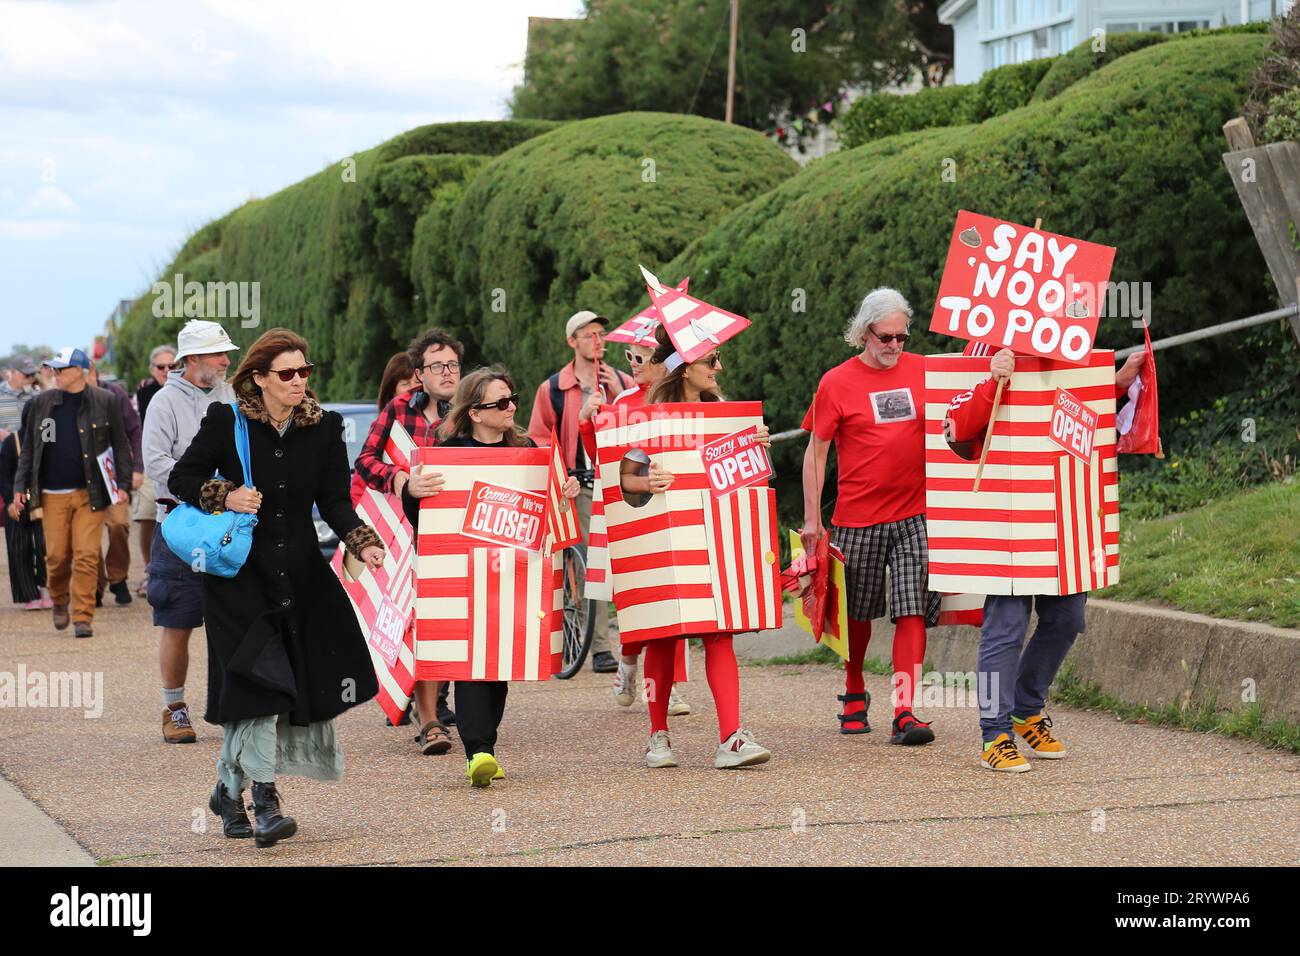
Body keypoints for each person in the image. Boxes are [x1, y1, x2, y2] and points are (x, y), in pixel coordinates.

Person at [169, 328, 385, 846]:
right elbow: (180, 479)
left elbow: (334, 499)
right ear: (259, 379)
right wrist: (225, 495)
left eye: (304, 371)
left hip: (300, 578)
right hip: (239, 580)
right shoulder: (228, 420)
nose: (297, 381)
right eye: (285, 373)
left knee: (277, 687)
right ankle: (265, 803)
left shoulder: (325, 427)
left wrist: (362, 541)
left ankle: (227, 790)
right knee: (259, 688)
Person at [944, 346, 1143, 773]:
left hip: (1061, 513)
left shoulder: (1065, 345)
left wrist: (1119, 381)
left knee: (1068, 617)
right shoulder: (982, 345)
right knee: (1007, 626)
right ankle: (995, 734)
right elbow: (955, 429)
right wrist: (991, 380)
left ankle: (1026, 708)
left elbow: (1079, 408)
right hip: (1007, 518)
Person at [402, 366, 579, 786]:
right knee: (471, 663)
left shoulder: (528, 451)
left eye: (512, 399)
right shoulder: (447, 454)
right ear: (475, 412)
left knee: (498, 664)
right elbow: (423, 521)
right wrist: (412, 491)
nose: (512, 407)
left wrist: (564, 492)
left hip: (512, 577)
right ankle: (478, 750)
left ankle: (486, 746)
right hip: (464, 576)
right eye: (500, 402)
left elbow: (553, 519)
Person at [800, 288, 939, 746]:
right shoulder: (835, 383)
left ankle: (905, 710)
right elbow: (816, 453)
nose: (895, 346)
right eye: (886, 337)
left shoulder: (924, 369)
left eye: (901, 337)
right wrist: (812, 521)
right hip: (857, 516)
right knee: (857, 612)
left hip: (915, 514)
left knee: (912, 605)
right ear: (863, 333)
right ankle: (855, 687)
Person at [630, 325, 771, 770]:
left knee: (718, 631)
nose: (719, 367)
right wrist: (644, 479)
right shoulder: (647, 418)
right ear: (684, 367)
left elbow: (748, 482)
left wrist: (757, 449)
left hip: (713, 535)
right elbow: (623, 480)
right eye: (711, 360)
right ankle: (658, 736)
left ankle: (730, 737)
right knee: (663, 633)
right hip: (666, 534)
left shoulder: (727, 416)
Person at [354, 330, 462, 740]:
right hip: (406, 532)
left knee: (448, 622)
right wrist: (399, 479)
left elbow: (506, 448)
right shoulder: (399, 411)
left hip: (458, 531)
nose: (447, 372)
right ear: (420, 374)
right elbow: (364, 460)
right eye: (437, 366)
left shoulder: (471, 406)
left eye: (452, 364)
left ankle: (458, 712)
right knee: (418, 621)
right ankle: (430, 719)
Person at [579, 335, 690, 715]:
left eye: (643, 356)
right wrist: (587, 424)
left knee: (676, 602)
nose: (634, 363)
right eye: (630, 356)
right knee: (635, 601)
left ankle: (665, 686)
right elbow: (603, 461)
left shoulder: (681, 399)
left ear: (665, 361)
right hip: (632, 507)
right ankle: (628, 663)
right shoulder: (621, 403)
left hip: (676, 507)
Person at [142, 320, 237, 744]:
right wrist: (211, 491)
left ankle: (231, 703)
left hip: (229, 526)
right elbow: (157, 464)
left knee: (234, 619)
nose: (226, 360)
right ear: (192, 359)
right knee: (178, 620)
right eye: (218, 353)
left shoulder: (230, 395)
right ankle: (174, 707)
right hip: (179, 527)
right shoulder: (163, 403)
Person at [528, 310, 633, 674]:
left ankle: (631, 641)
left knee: (627, 562)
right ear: (572, 341)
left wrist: (622, 398)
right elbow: (539, 440)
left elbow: (643, 421)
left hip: (621, 479)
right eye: (589, 335)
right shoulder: (553, 388)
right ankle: (602, 647)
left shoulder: (621, 379)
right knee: (593, 562)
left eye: (601, 334)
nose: (598, 341)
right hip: (579, 484)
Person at [12, 348, 131, 638]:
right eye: (53, 369)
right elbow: (29, 450)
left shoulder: (105, 401)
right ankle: (60, 599)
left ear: (80, 370)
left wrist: (124, 485)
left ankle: (83, 617)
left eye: (61, 369)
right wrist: (20, 488)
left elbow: (120, 442)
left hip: (90, 494)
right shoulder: (41, 404)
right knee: (56, 557)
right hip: (51, 495)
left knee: (87, 554)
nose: (55, 374)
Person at [87, 361, 143, 607]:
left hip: (112, 472)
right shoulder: (65, 399)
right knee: (89, 533)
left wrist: (138, 468)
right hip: (83, 477)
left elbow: (134, 431)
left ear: (92, 374)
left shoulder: (114, 394)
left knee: (119, 524)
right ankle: (95, 585)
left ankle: (118, 577)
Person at [132, 344, 176, 597]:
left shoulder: (188, 392)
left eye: (172, 366)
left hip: (182, 463)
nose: (167, 371)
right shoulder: (145, 393)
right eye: (162, 367)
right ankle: (152, 569)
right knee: (149, 514)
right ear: (153, 369)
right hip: (153, 463)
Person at [349, 351, 418, 507]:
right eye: (406, 384)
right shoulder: (385, 426)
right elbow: (363, 470)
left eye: (418, 382)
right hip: (388, 512)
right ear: (392, 391)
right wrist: (394, 476)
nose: (414, 389)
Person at [1, 402, 50, 609]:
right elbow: (3, 475)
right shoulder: (13, 441)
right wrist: (11, 499)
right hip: (16, 501)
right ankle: (29, 594)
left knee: (45, 546)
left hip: (43, 500)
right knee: (19, 547)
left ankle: (48, 589)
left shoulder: (50, 440)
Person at [0, 356, 39, 440]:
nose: (31, 378)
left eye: (33, 374)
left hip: (28, 448)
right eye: (27, 374)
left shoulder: (36, 395)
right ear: (13, 372)